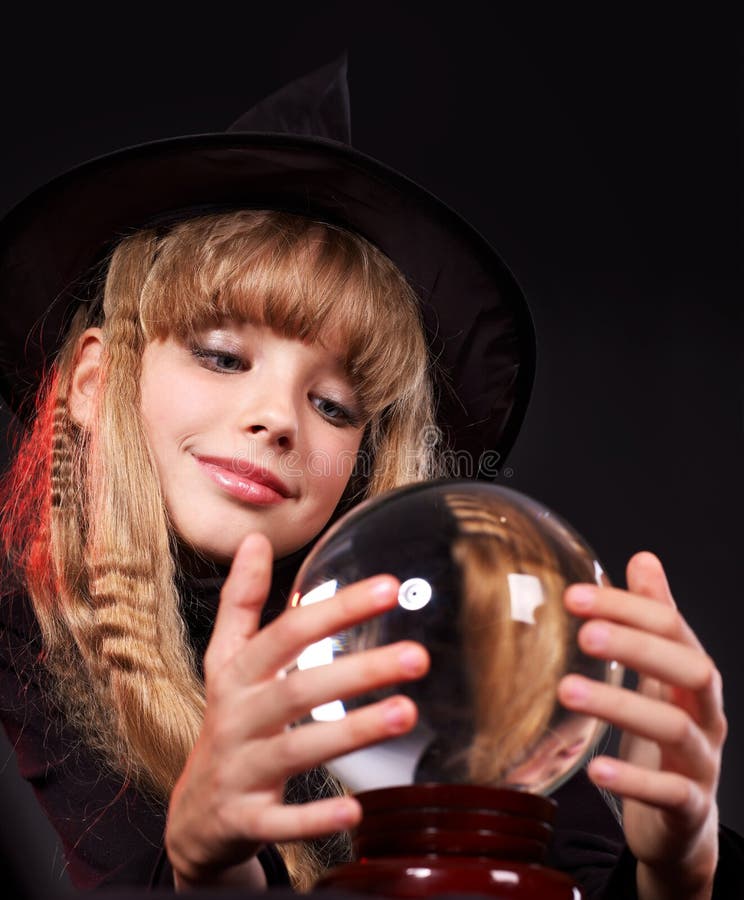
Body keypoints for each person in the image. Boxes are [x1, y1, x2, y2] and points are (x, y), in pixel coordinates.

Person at [0, 58, 740, 899]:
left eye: (335, 405)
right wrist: (212, 873)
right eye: (221, 356)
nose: (280, 418)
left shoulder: (428, 655)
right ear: (94, 384)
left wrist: (676, 871)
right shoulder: (14, 665)